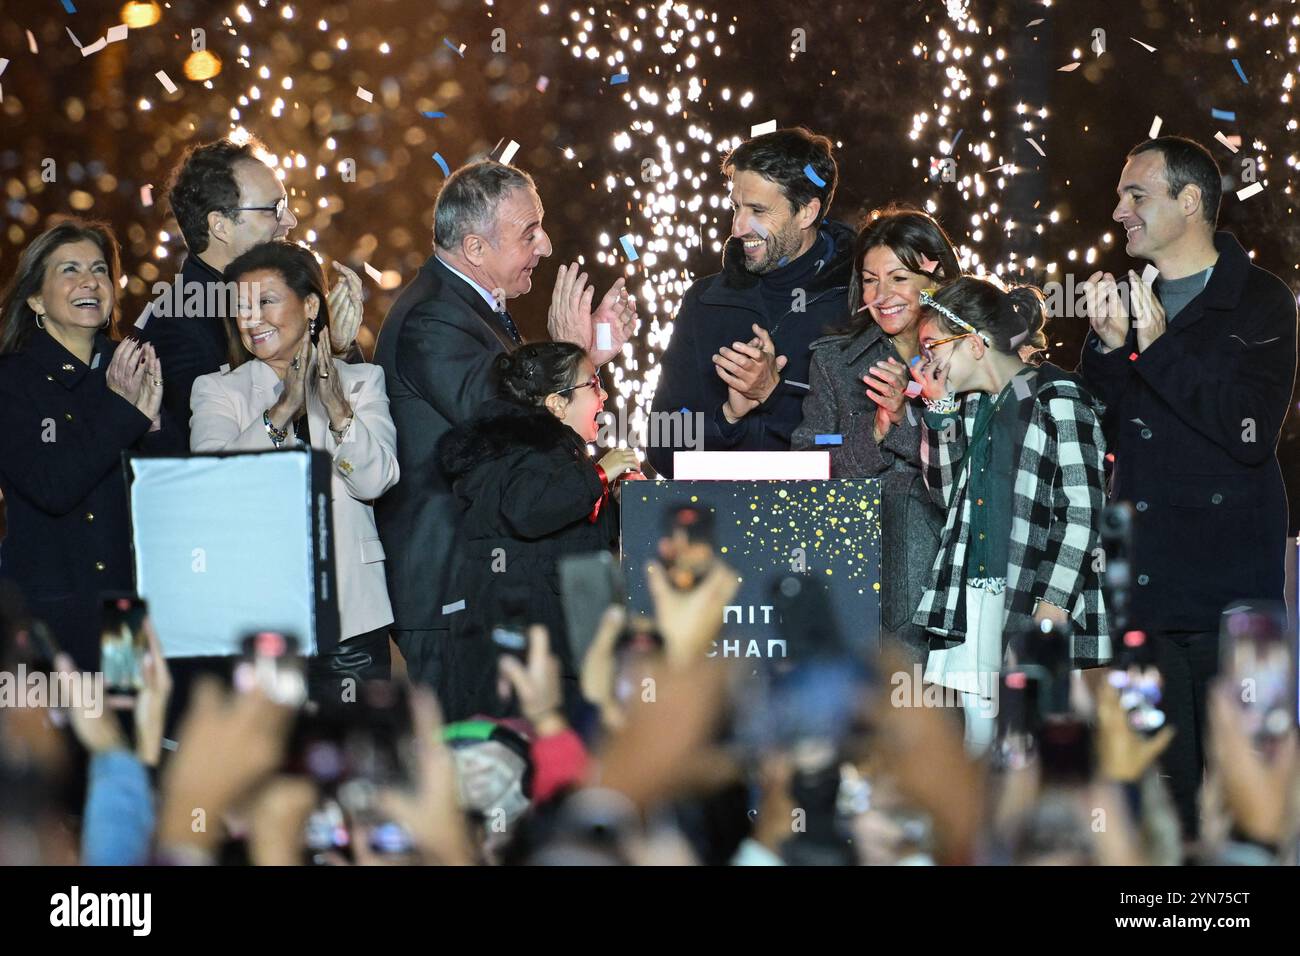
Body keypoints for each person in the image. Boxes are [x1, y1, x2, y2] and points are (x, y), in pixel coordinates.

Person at [1076, 135, 1298, 838]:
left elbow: (1249, 434)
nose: (1118, 212)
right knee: (1154, 799)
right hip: (1139, 598)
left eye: (1135, 195)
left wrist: (1157, 347)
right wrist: (1112, 355)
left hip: (1231, 602)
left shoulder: (1260, 301)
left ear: (1190, 200)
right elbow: (1098, 433)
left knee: (1240, 801)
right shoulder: (1120, 302)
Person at [373, 159, 636, 692]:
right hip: (452, 591)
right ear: (474, 249)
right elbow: (504, 417)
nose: (546, 245)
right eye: (529, 233)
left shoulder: (471, 308)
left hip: (484, 588)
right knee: (473, 762)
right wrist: (574, 354)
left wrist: (587, 359)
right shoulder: (433, 319)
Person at [909, 277, 1111, 753]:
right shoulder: (972, 406)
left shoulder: (1057, 393)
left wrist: (1053, 604)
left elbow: (1084, 509)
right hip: (978, 597)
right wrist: (937, 413)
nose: (925, 362)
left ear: (975, 343)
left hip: (1038, 597)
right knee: (983, 747)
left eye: (933, 346)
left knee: (1041, 749)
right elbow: (942, 492)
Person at [189, 240, 400, 695]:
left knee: (356, 759)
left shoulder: (362, 381)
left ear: (308, 305)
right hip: (262, 629)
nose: (251, 318)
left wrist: (338, 410)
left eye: (265, 301)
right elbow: (212, 488)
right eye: (242, 307)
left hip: (352, 624)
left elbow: (377, 480)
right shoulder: (218, 391)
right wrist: (281, 412)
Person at [436, 341, 641, 720]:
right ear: (557, 404)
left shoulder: (553, 453)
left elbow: (574, 527)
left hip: (545, 638)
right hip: (525, 644)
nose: (605, 393)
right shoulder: (524, 453)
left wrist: (617, 496)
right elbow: (529, 510)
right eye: (593, 384)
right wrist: (598, 473)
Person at [791, 206, 960, 666]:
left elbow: (976, 475)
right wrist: (875, 431)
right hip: (858, 576)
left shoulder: (972, 357)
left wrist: (907, 424)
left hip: (948, 585)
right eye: (869, 280)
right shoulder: (835, 362)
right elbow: (808, 467)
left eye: (899, 278)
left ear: (936, 277)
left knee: (938, 731)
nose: (881, 294)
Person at [0, 220, 169, 667]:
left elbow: (165, 489)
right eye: (69, 270)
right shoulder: (12, 381)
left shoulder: (133, 364)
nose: (90, 281)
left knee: (133, 729)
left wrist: (154, 428)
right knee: (55, 734)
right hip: (45, 612)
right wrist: (125, 414)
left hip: (125, 610)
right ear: (36, 297)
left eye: (99, 269)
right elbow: (52, 486)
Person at [647, 127, 855, 478]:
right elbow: (662, 447)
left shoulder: (858, 302)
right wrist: (727, 417)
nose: (739, 227)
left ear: (806, 213)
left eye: (758, 210)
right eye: (736, 207)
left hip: (824, 527)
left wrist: (775, 396)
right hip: (716, 528)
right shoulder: (704, 302)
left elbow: (870, 449)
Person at [139, 136, 363, 444]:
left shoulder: (265, 295)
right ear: (221, 227)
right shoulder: (180, 329)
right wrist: (327, 344)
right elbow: (211, 459)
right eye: (273, 208)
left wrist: (334, 343)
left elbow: (361, 435)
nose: (290, 220)